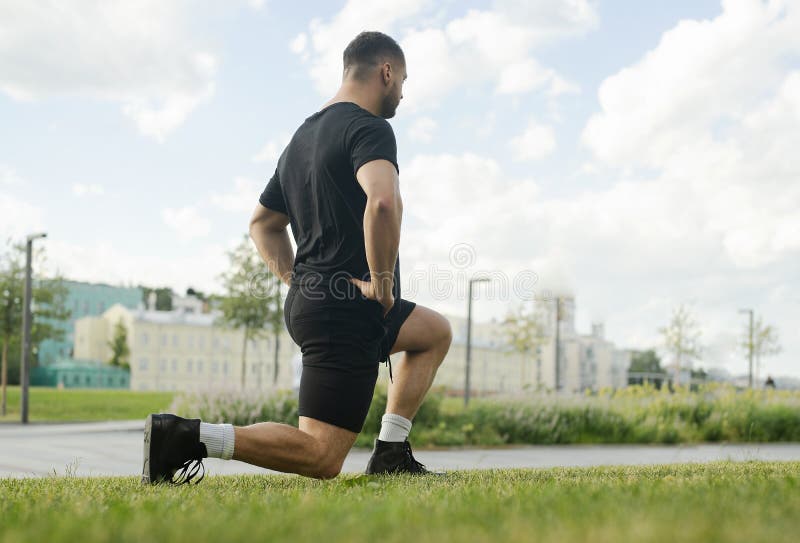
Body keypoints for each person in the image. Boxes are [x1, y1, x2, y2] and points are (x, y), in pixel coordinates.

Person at [142, 31, 453, 484]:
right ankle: (187, 436)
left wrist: (301, 283)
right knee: (321, 456)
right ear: (386, 72)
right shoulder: (369, 127)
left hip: (327, 302)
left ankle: (390, 450)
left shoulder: (301, 139)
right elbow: (383, 203)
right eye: (403, 80)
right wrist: (382, 285)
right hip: (349, 307)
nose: (403, 93)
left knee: (434, 332)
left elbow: (262, 224)